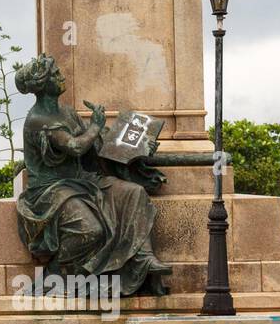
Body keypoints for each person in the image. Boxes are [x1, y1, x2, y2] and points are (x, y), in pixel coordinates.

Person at [14, 54, 172, 297]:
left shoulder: (66, 112)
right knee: (90, 230)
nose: (61, 75)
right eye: (55, 74)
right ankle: (58, 274)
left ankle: (143, 258)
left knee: (134, 192)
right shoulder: (39, 120)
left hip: (82, 181)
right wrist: (96, 125)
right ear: (43, 84)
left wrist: (137, 147)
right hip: (52, 191)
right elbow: (75, 146)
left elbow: (90, 149)